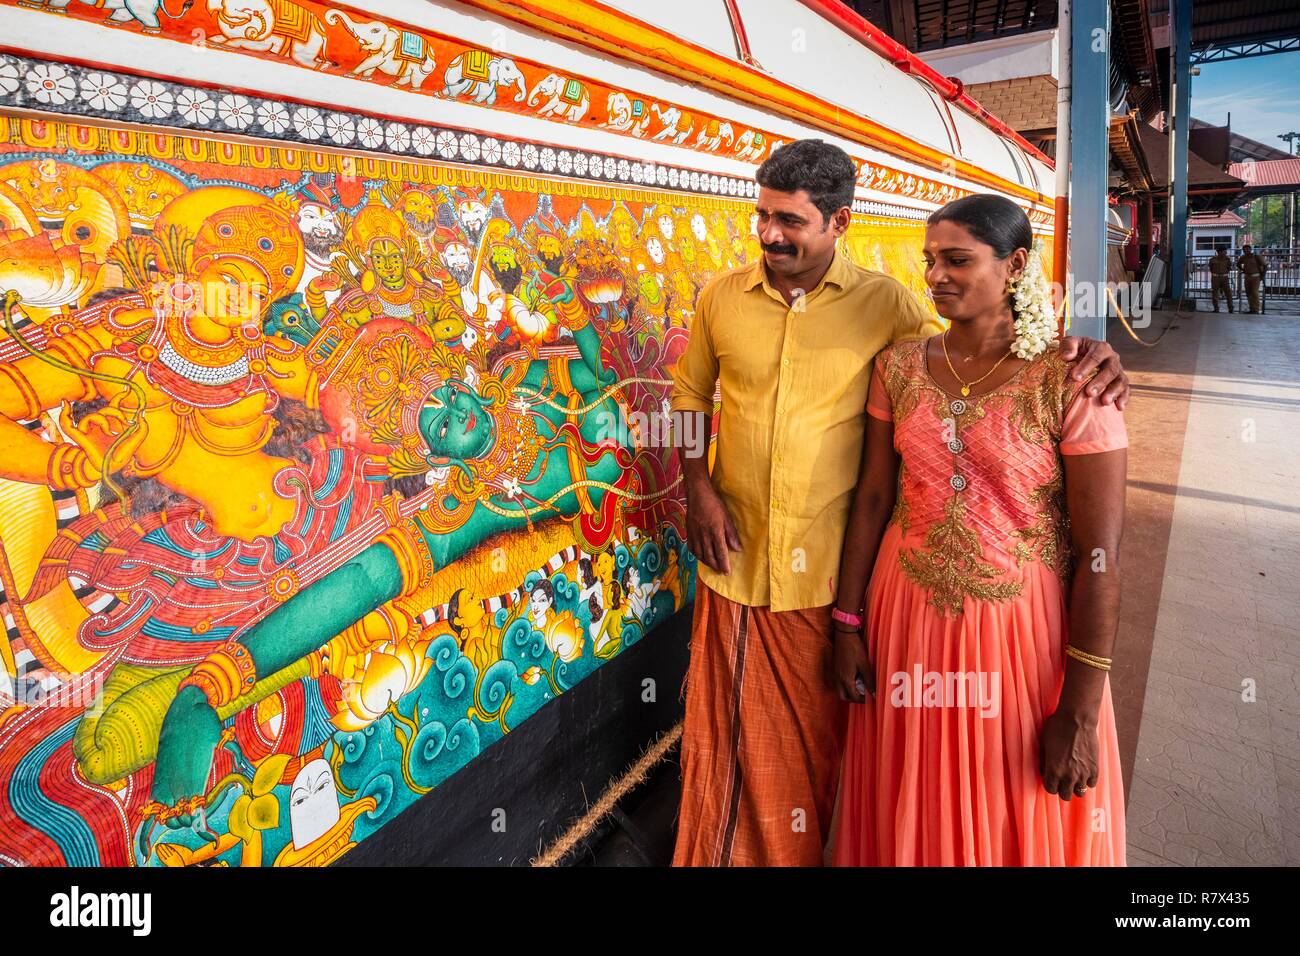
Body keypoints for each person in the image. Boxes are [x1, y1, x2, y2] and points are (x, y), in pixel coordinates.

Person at [669, 139, 1132, 867]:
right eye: (762, 216)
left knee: (875, 766)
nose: (769, 234)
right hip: (748, 563)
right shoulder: (721, 299)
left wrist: (1089, 350)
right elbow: (688, 399)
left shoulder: (889, 310)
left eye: (789, 220)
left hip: (847, 581)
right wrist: (696, 487)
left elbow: (987, 347)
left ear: (839, 222)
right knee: (749, 759)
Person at [830, 194, 1128, 866]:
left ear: (1015, 264)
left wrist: (1080, 709)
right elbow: (873, 498)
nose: (936, 275)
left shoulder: (1073, 379)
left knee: (1006, 795)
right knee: (914, 791)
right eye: (930, 260)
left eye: (957, 260)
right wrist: (846, 624)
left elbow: (1102, 552)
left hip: (1018, 633)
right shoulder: (898, 367)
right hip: (904, 617)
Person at [1237, 244, 1268, 314]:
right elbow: (1238, 264)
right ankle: (1251, 308)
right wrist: (1243, 270)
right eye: (1244, 250)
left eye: (1247, 250)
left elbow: (1265, 265)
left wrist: (1262, 276)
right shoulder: (1243, 257)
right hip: (1247, 277)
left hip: (1255, 277)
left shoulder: (1256, 256)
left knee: (1254, 293)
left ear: (1250, 250)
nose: (1246, 251)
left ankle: (1256, 309)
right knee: (1248, 293)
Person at [1208, 247, 1234, 313]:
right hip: (1215, 278)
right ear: (1219, 252)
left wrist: (1223, 273)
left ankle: (1231, 309)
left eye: (1225, 252)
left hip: (1224, 278)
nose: (1226, 253)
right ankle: (1216, 308)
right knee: (1215, 293)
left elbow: (1229, 268)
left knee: (1228, 293)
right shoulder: (1212, 259)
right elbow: (1211, 268)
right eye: (1224, 251)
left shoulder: (1228, 259)